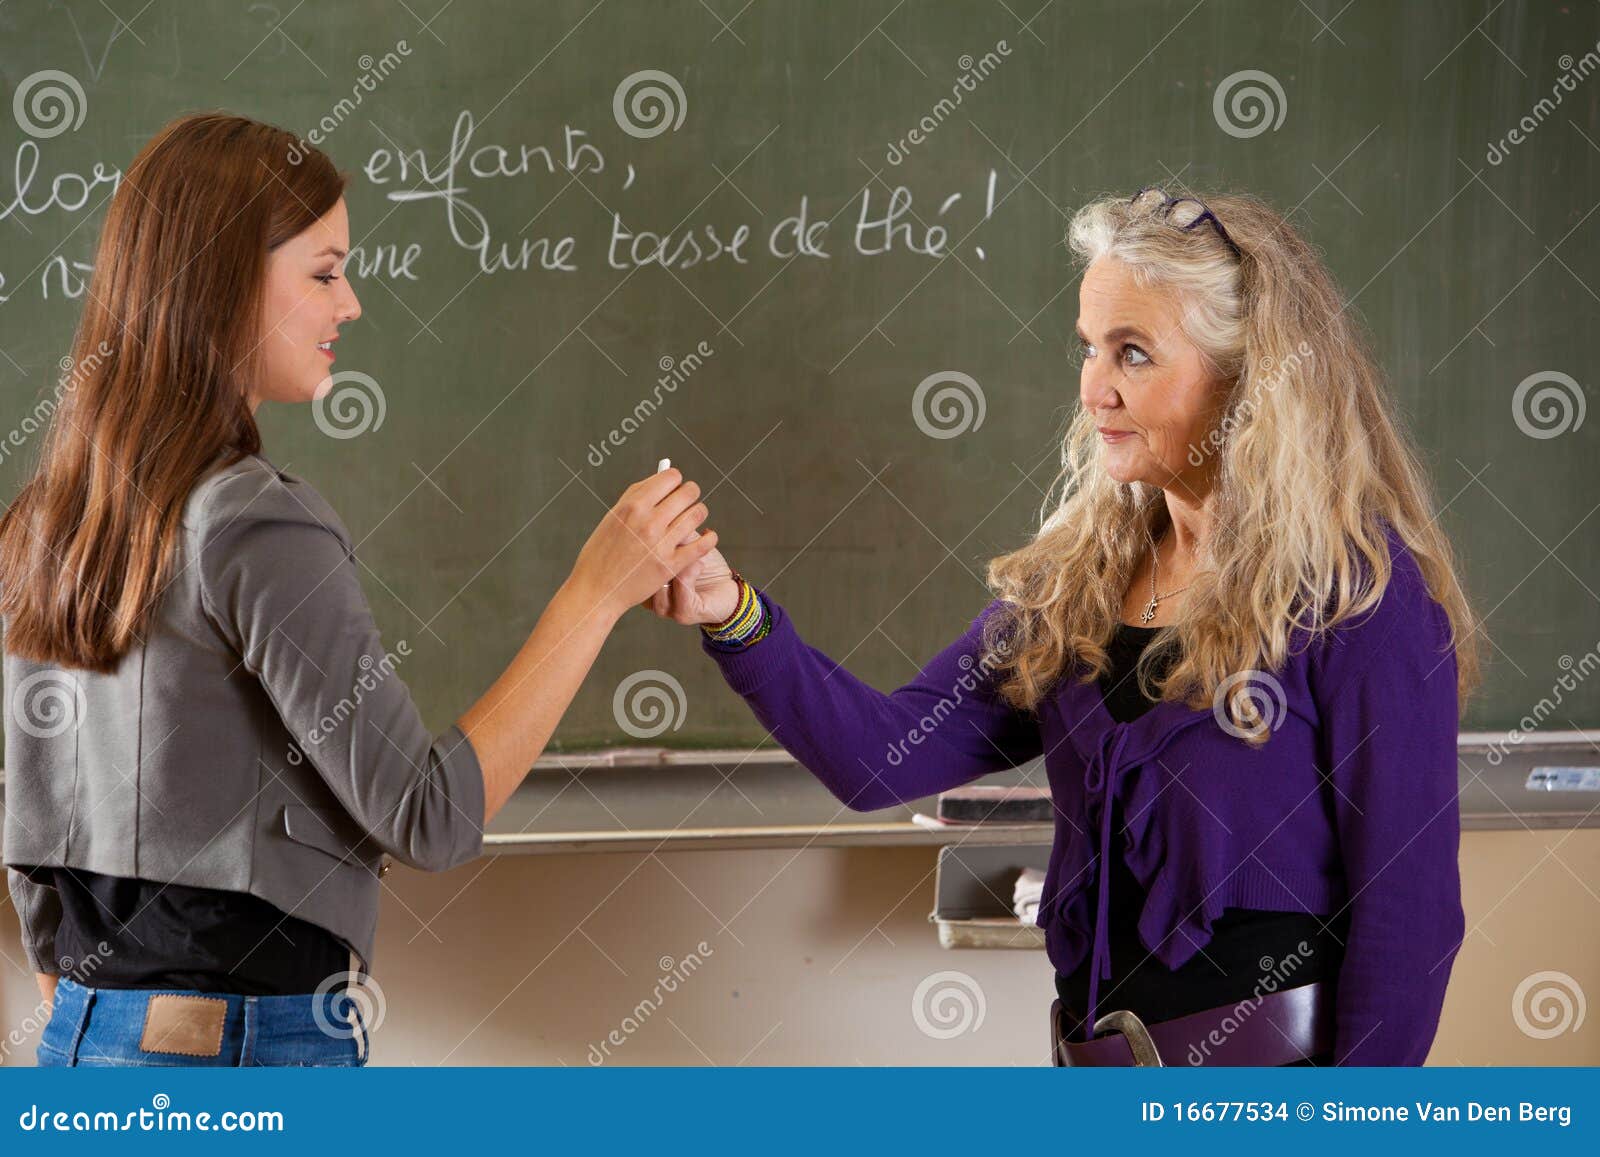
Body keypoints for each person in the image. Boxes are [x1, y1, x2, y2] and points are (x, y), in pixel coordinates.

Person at [649, 188, 1483, 1066]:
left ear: (1245, 377)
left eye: (1133, 353)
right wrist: (731, 612)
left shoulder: (1358, 596)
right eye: (1088, 348)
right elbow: (879, 757)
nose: (1095, 387)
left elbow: (1410, 917)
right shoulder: (1075, 585)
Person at [0, 112, 719, 1067]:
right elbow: (429, 815)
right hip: (237, 1049)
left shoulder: (47, 520)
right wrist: (596, 592)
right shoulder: (254, 520)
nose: (351, 305)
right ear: (220, 284)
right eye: (325, 271)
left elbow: (32, 829)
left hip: (80, 1038)